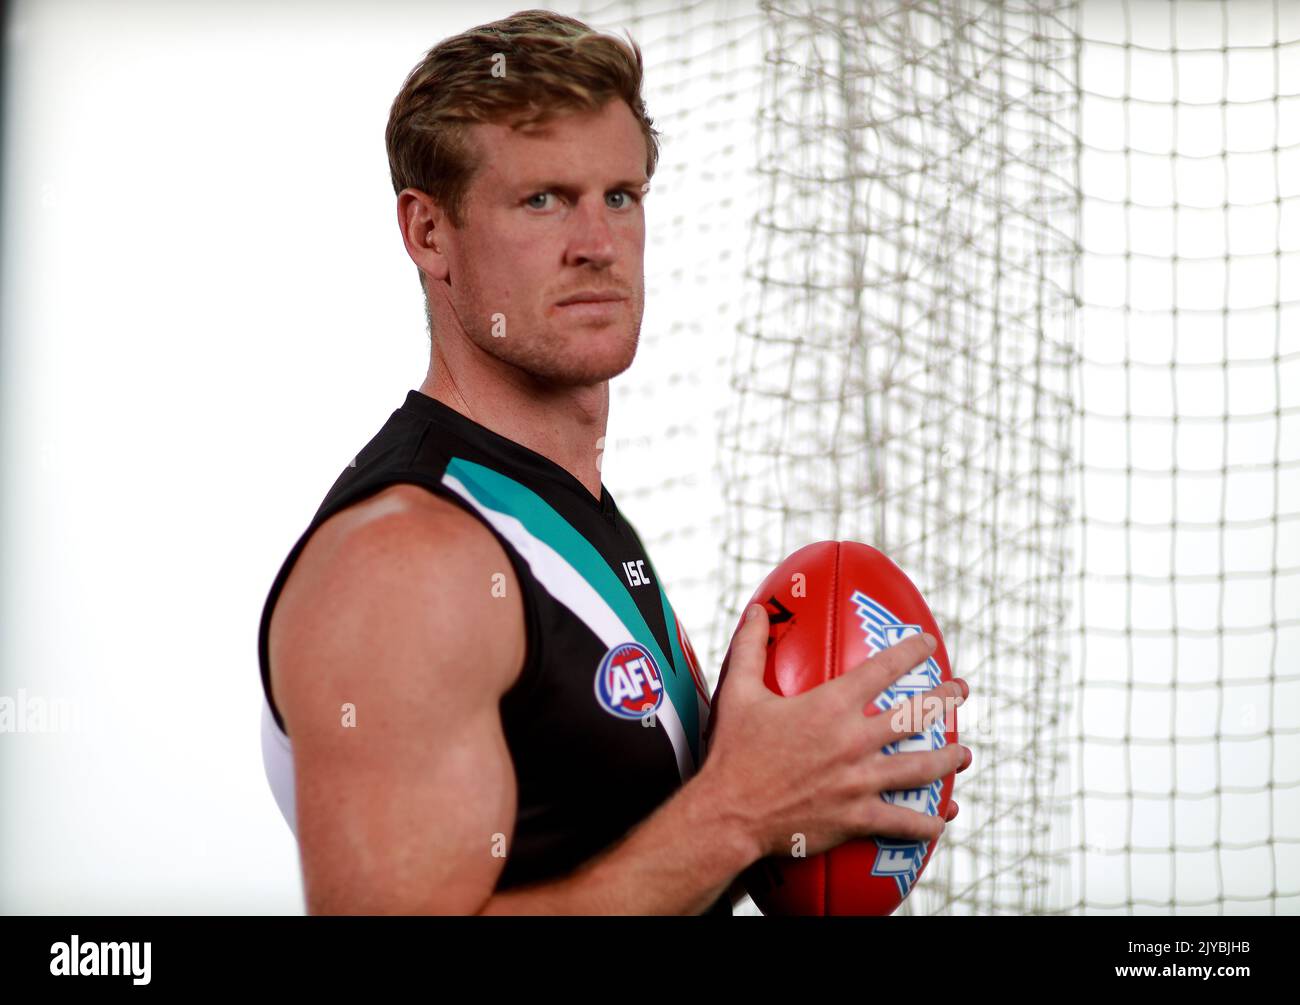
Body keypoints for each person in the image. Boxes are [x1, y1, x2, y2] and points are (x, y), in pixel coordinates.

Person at [256, 8, 970, 915]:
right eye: (543, 198)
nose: (597, 242)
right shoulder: (408, 563)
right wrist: (740, 812)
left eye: (620, 196)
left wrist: (831, 777)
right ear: (428, 232)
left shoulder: (563, 509)